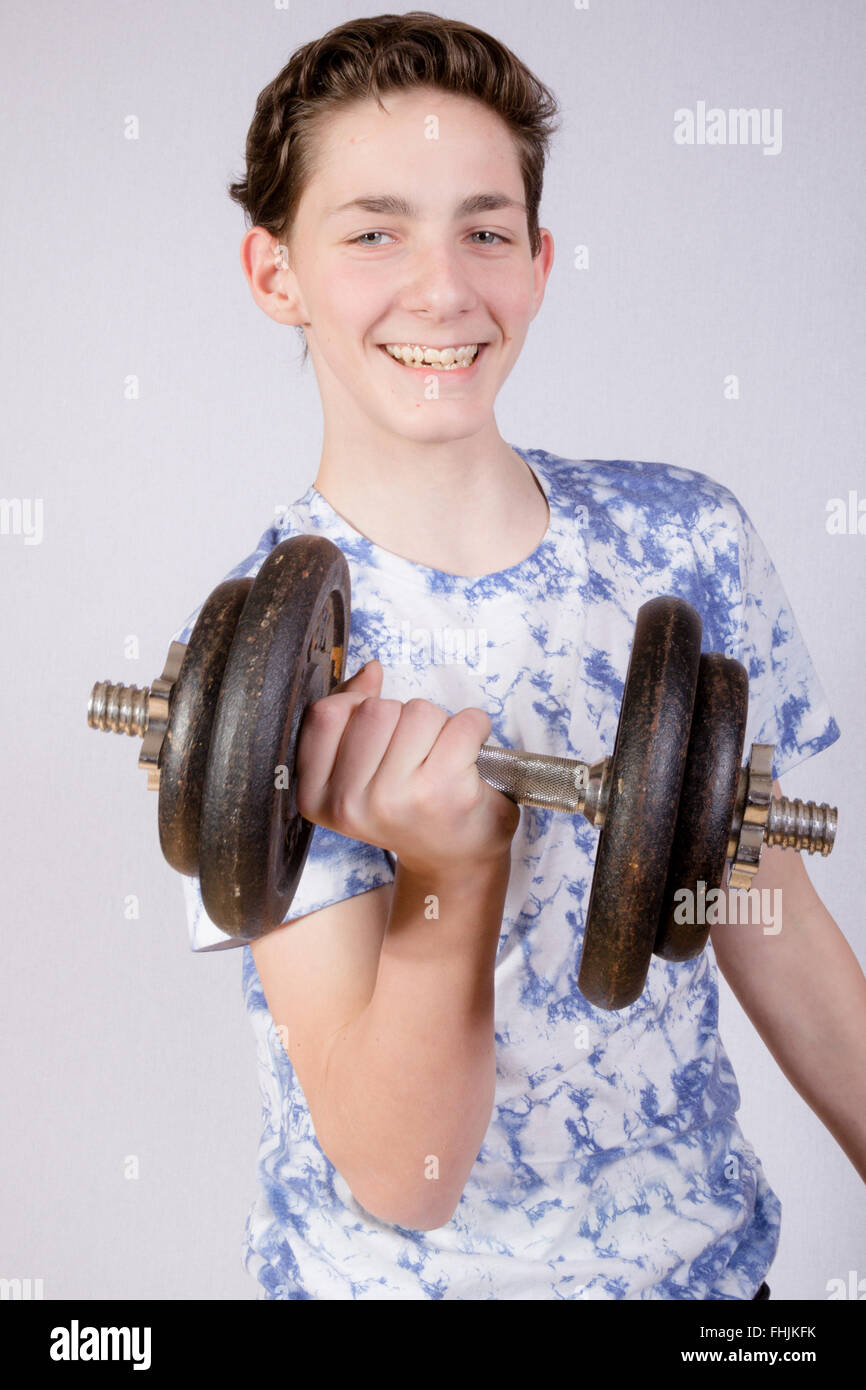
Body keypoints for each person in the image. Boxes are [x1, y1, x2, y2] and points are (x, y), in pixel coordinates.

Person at [173, 12, 866, 1300]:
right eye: (375, 230)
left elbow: (764, 916)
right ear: (276, 274)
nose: (443, 287)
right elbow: (403, 1174)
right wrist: (447, 874)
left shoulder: (684, 539)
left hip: (713, 1299)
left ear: (539, 263)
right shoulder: (264, 659)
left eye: (484, 231)